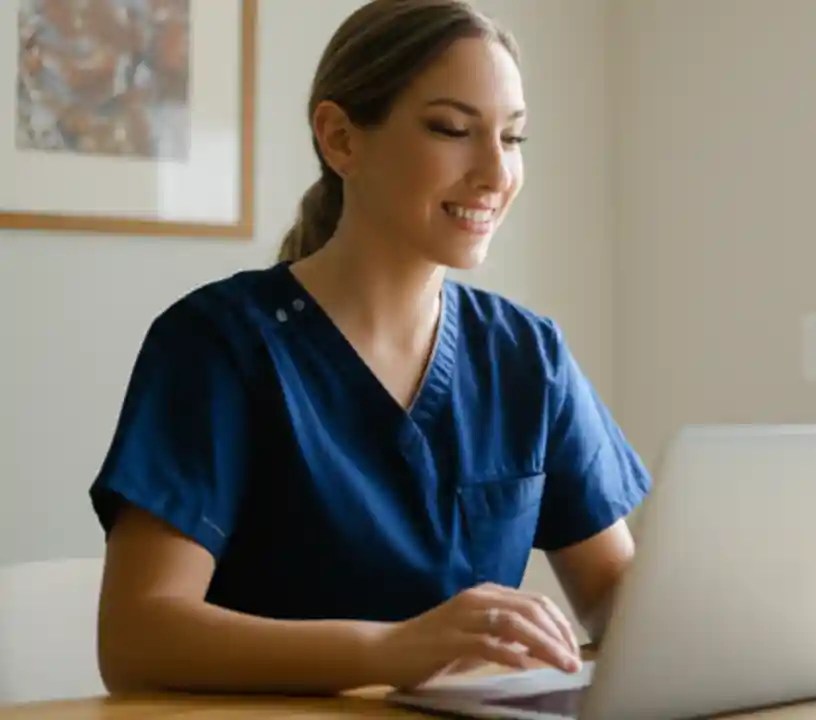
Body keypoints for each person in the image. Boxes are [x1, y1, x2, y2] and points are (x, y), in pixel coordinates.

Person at [89, 0, 650, 696]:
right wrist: (390, 650)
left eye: (512, 139)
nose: (496, 173)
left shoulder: (527, 357)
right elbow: (138, 638)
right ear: (340, 139)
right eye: (452, 129)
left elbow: (624, 602)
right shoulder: (219, 345)